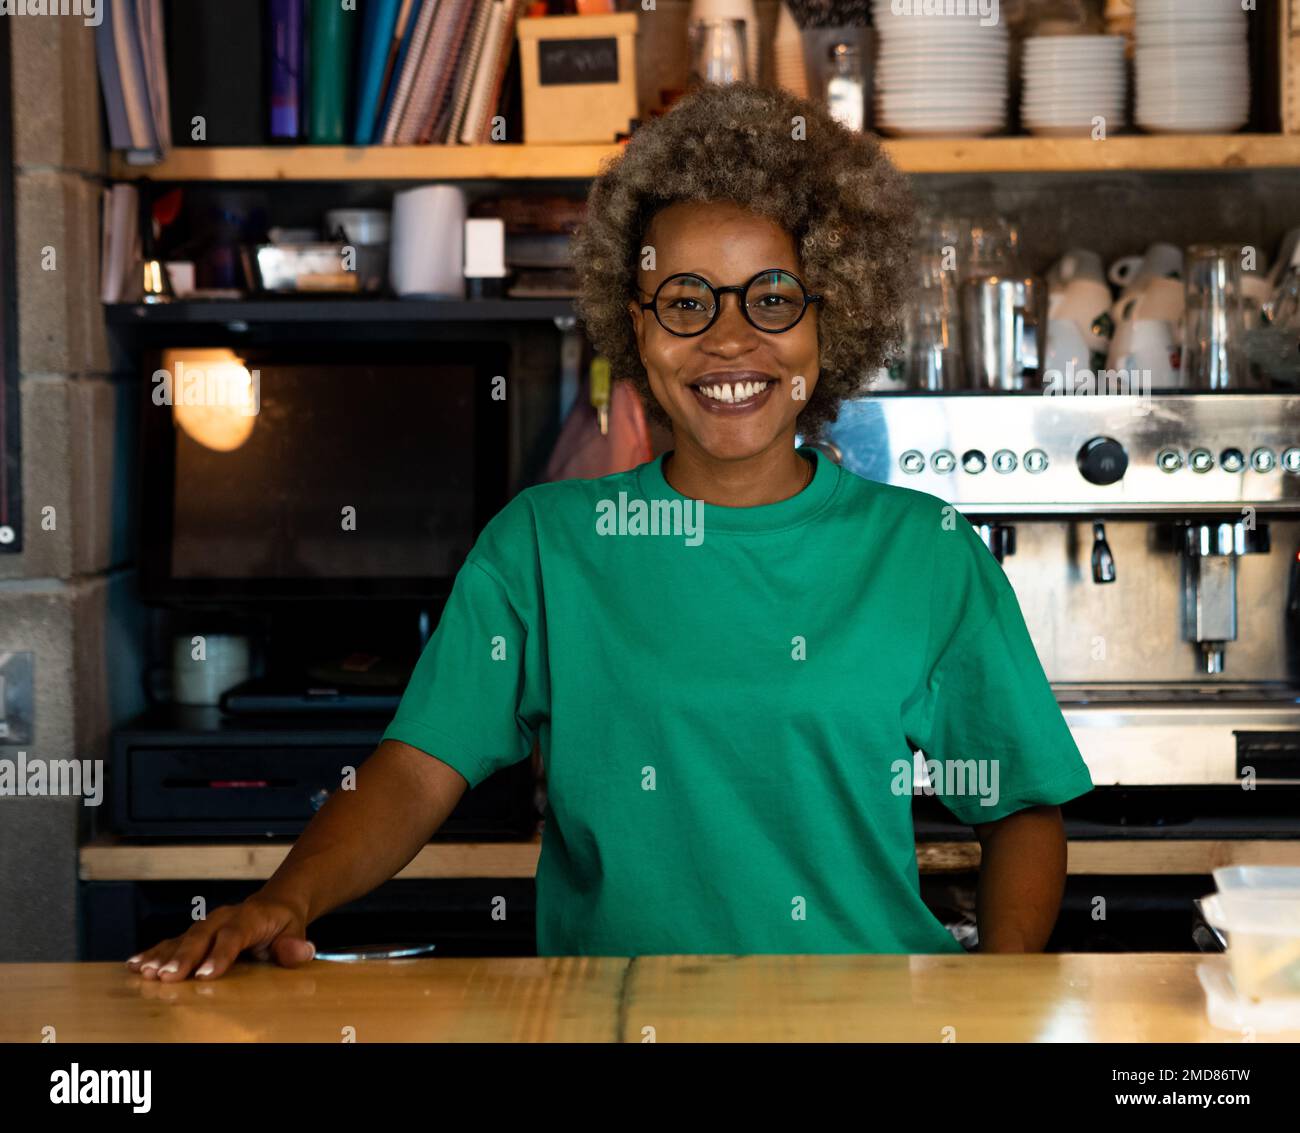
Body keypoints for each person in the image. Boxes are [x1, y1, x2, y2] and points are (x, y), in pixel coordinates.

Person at [128, 82, 1092, 982]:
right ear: (635, 327)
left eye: (772, 298)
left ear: (826, 320)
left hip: (860, 1021)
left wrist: (998, 997)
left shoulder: (922, 551)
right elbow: (415, 771)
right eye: (684, 301)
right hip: (615, 1018)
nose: (728, 338)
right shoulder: (545, 546)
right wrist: (284, 896)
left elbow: (1021, 807)